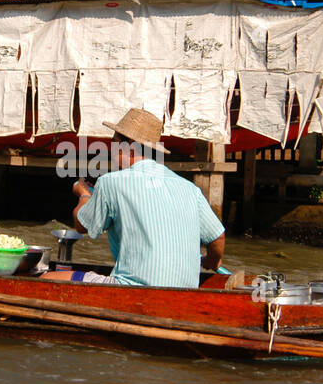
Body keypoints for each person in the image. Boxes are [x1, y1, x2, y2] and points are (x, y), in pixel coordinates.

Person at [43, 107, 225, 287]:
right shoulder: (190, 189)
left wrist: (83, 194)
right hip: (184, 294)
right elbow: (218, 238)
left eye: (114, 142)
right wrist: (212, 261)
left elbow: (81, 225)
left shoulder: (111, 182)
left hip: (133, 289)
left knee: (47, 279)